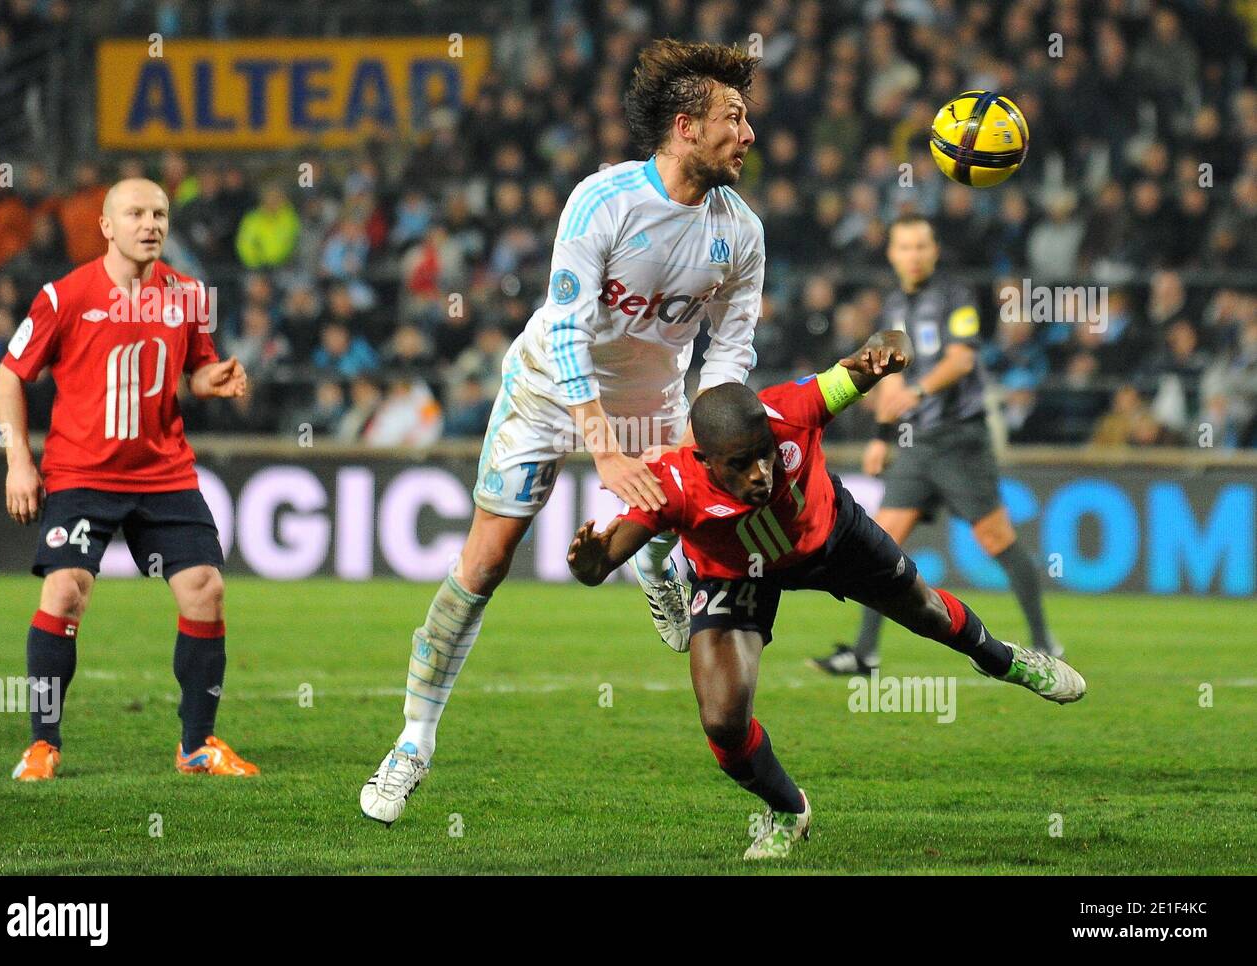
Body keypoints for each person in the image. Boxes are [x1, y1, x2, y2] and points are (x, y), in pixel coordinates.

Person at [361, 39, 766, 825]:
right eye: (734, 118)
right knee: (484, 562)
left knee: (662, 515)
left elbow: (732, 347)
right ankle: (413, 742)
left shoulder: (741, 232)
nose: (748, 134)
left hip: (654, 406)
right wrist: (603, 447)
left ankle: (654, 564)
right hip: (550, 390)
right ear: (686, 127)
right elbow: (571, 330)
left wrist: (714, 439)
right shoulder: (601, 203)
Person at [566, 331, 1086, 859]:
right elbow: (602, 563)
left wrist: (887, 349)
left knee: (926, 612)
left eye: (765, 456)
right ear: (702, 460)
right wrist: (590, 565)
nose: (760, 473)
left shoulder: (794, 409)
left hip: (832, 538)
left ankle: (1004, 660)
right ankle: (788, 809)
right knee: (723, 722)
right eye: (740, 464)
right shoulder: (671, 483)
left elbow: (871, 356)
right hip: (735, 575)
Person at [0, 177, 257, 780]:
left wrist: (214, 380)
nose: (151, 224)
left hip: (163, 473)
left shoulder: (186, 295)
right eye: (136, 213)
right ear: (107, 226)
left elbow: (197, 369)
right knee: (65, 592)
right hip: (84, 473)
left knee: (205, 591)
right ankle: (42, 743)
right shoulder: (64, 296)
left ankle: (196, 745)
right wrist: (18, 460)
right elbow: (8, 378)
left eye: (160, 213)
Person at [816, 214, 1060, 676]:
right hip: (915, 446)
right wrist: (881, 437)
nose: (913, 255)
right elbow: (889, 379)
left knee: (996, 539)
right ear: (892, 254)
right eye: (904, 247)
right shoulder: (891, 307)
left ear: (933, 251)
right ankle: (864, 654)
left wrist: (919, 393)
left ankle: (1048, 643)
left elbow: (963, 360)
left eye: (921, 246)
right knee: (878, 545)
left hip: (958, 440)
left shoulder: (956, 295)